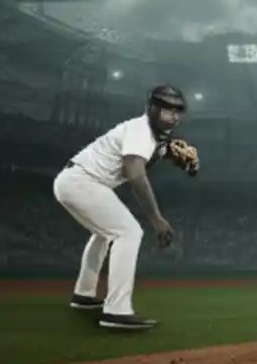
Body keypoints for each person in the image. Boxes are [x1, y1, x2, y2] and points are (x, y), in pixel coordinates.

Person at [53, 85, 187, 330]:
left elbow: (137, 165)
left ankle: (84, 294)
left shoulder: (149, 136)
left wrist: (162, 153)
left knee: (104, 234)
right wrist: (156, 219)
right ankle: (116, 310)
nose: (174, 115)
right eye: (168, 109)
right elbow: (135, 174)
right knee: (129, 232)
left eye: (178, 111)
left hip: (75, 181)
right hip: (82, 182)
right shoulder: (141, 129)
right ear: (152, 109)